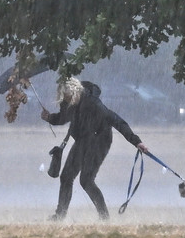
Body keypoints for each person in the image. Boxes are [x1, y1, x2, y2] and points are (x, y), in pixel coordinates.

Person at [40, 78, 150, 220]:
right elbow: (63, 117)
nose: (68, 102)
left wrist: (136, 142)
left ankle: (104, 217)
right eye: (65, 99)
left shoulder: (93, 103)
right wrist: (49, 118)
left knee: (86, 180)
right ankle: (59, 216)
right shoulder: (69, 102)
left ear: (76, 92)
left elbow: (117, 121)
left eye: (69, 98)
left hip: (100, 141)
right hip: (82, 140)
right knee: (66, 177)